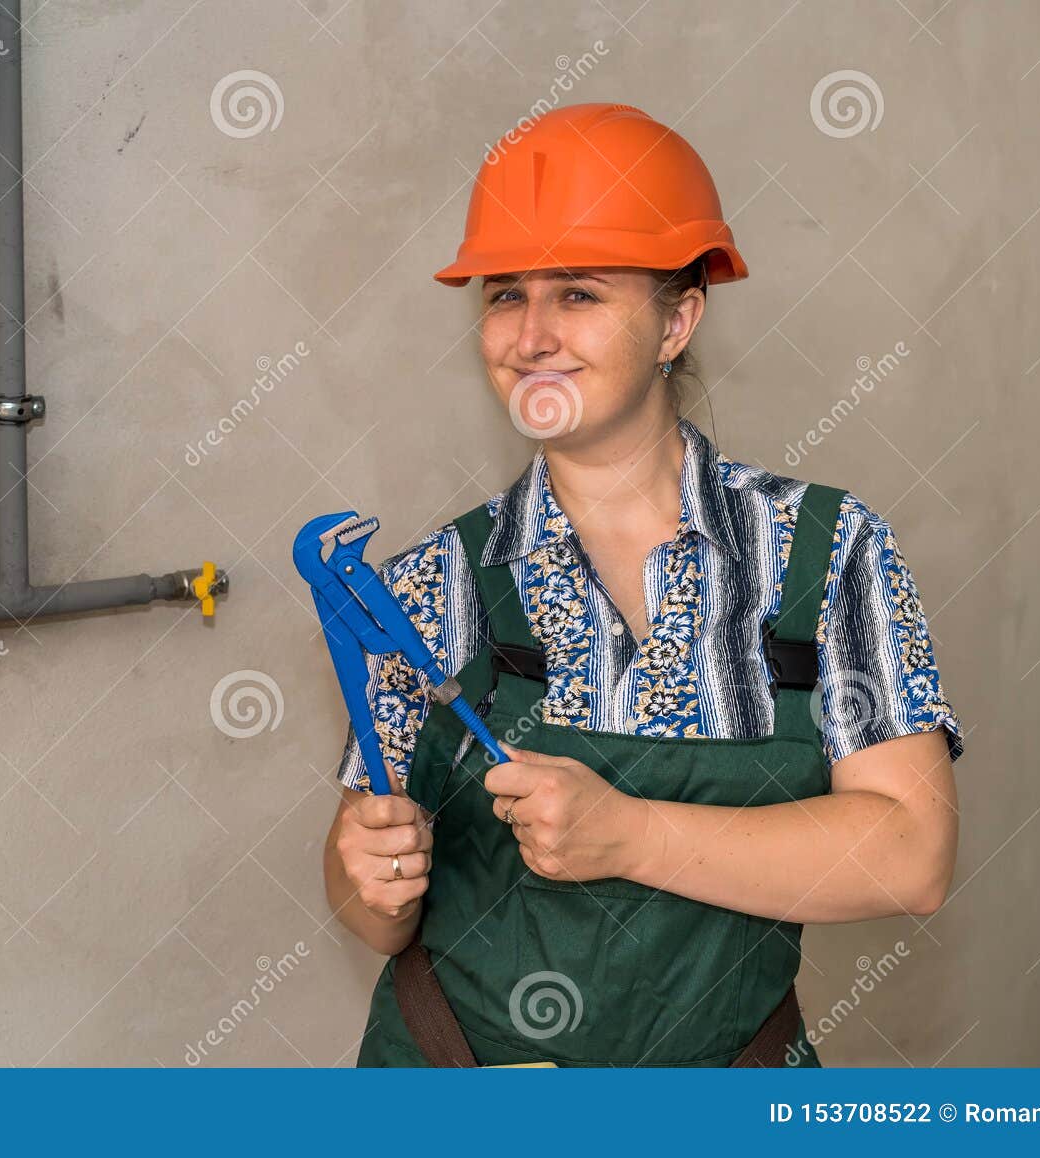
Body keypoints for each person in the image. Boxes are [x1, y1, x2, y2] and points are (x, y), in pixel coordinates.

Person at [320, 103, 962, 1067]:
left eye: (578, 293)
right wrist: (368, 875)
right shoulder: (427, 583)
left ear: (677, 319)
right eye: (506, 295)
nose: (531, 336)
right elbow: (373, 911)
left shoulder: (827, 555)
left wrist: (629, 836)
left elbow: (912, 858)